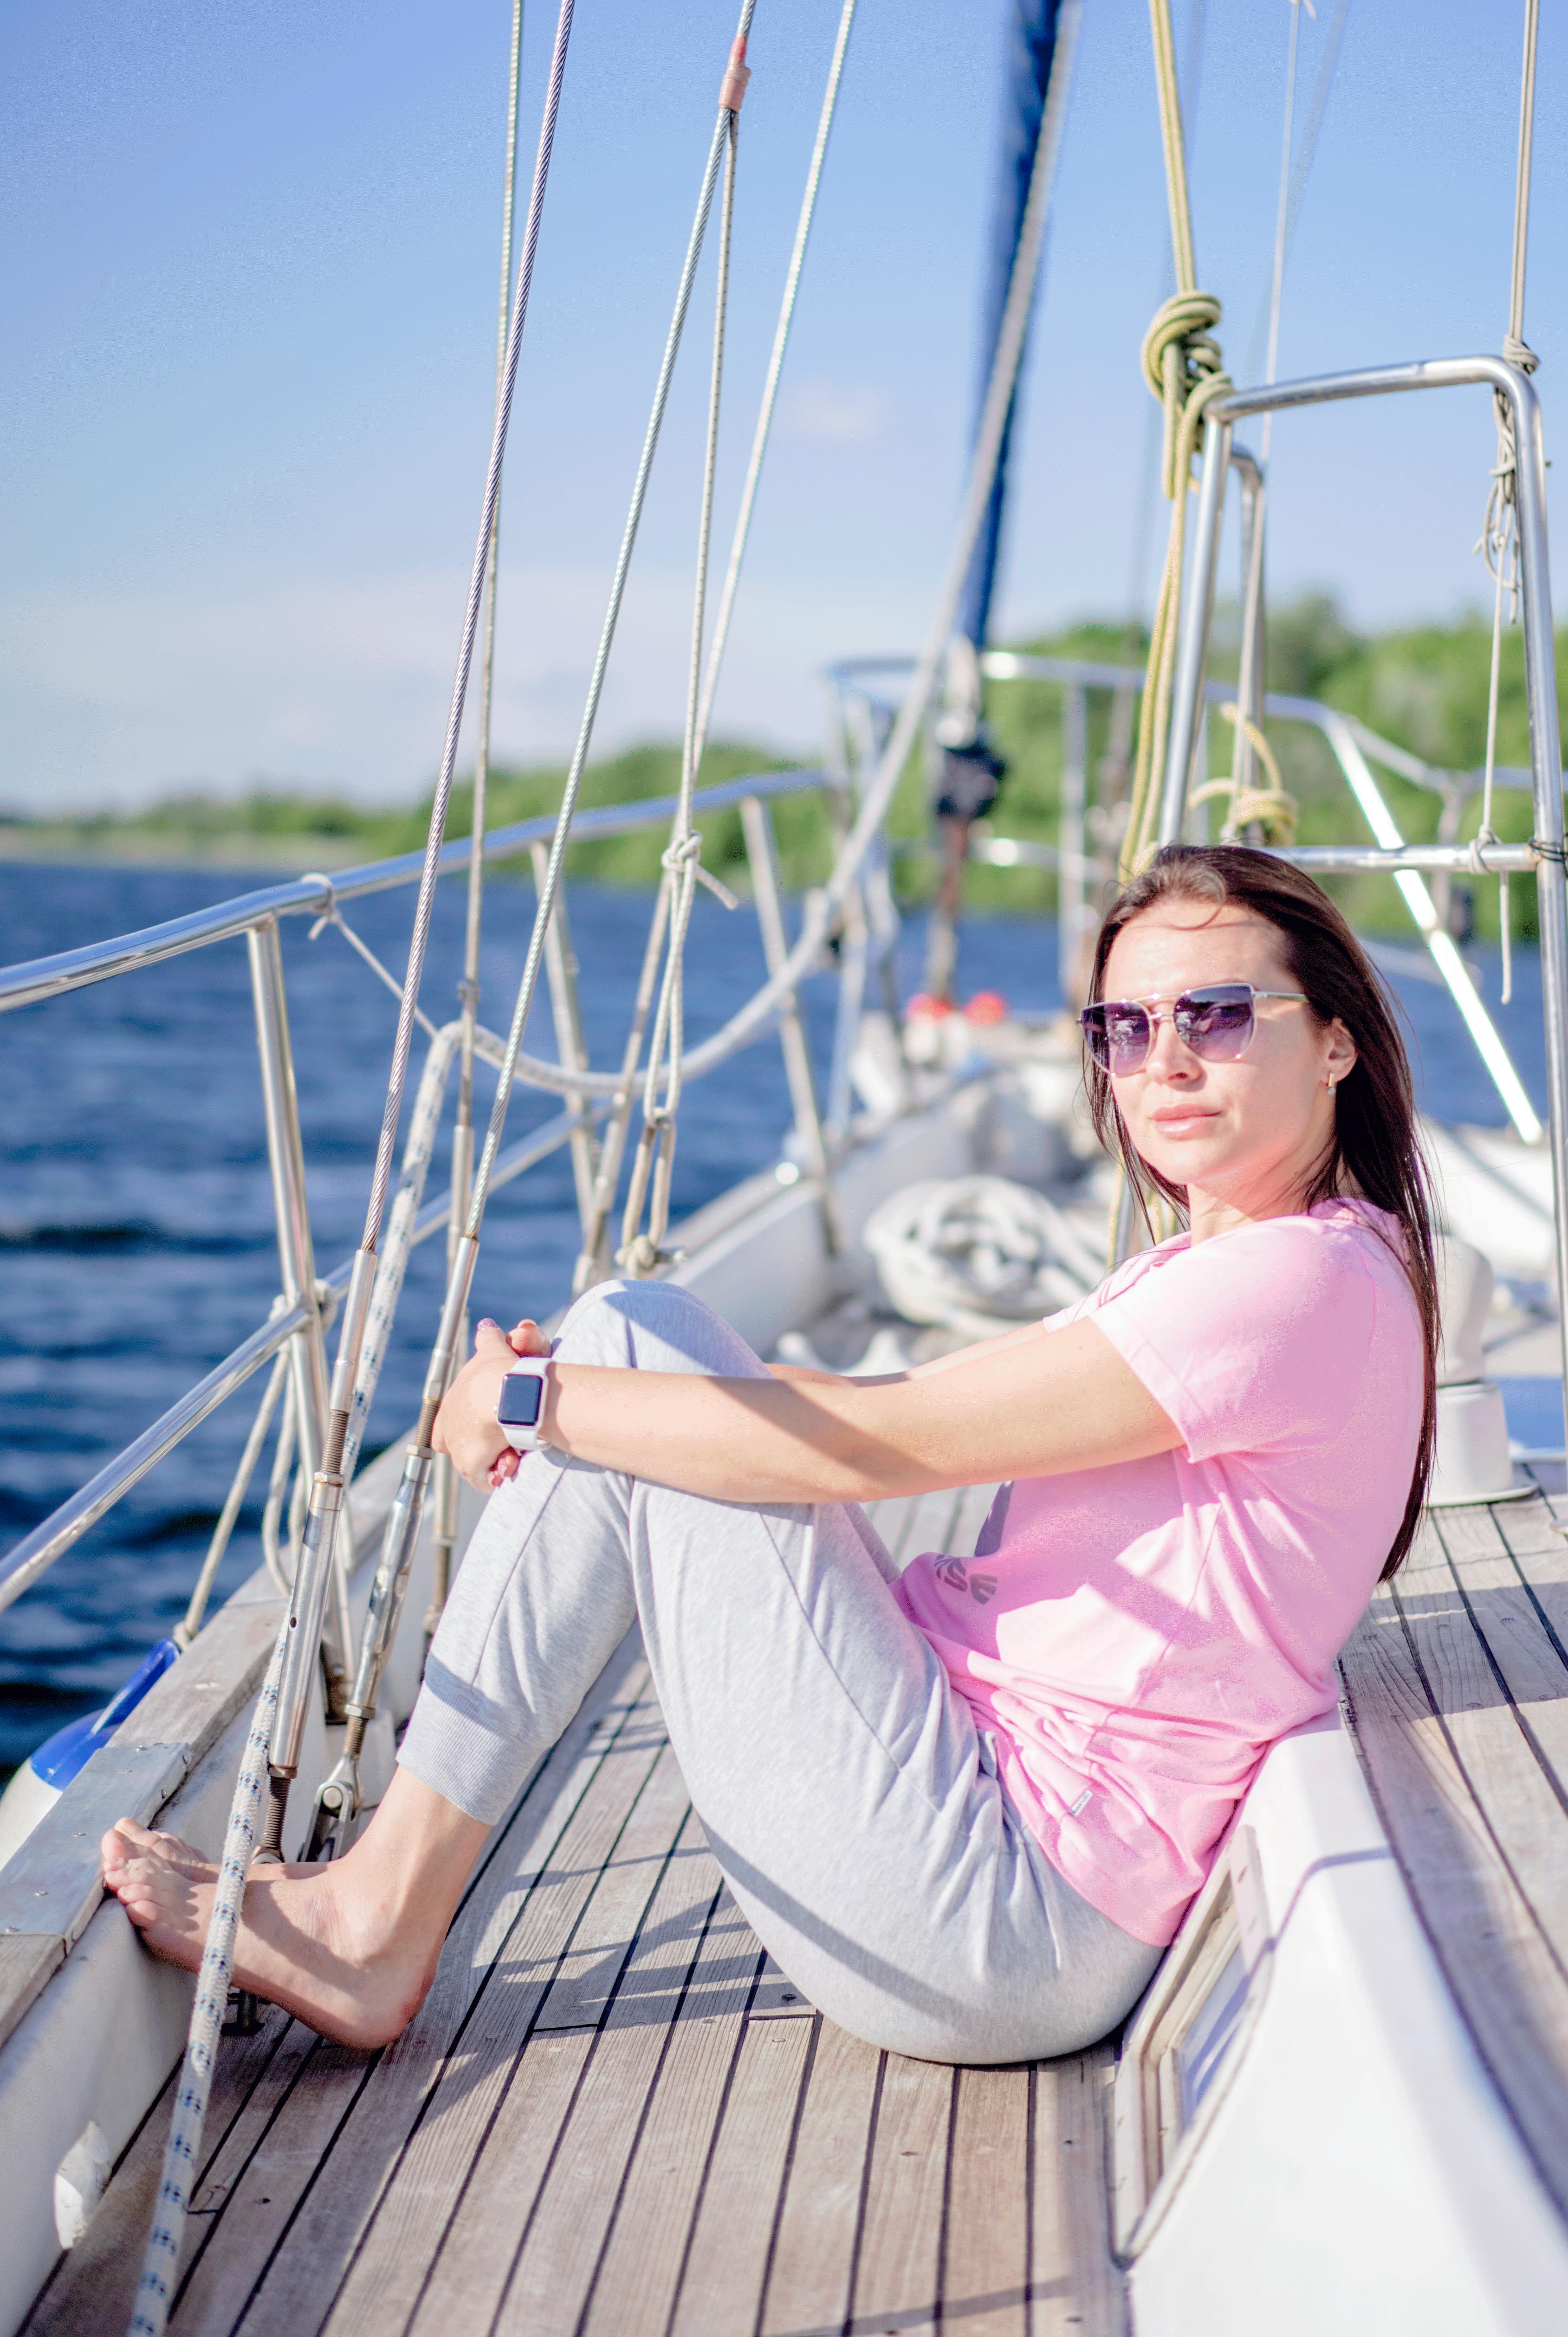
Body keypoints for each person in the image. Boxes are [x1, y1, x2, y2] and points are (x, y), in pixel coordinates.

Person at [102, 845, 1437, 2068]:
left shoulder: (1285, 1289)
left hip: (1005, 1913)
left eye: (1214, 1015)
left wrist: (531, 1404)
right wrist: (574, 1387)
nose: (1165, 1061)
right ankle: (378, 1904)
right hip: (989, 1818)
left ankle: (377, 1919)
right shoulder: (1258, 1267)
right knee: (632, 1337)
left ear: (1332, 1041)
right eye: (1125, 1027)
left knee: (616, 1353)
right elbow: (901, 1389)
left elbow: (883, 1446)